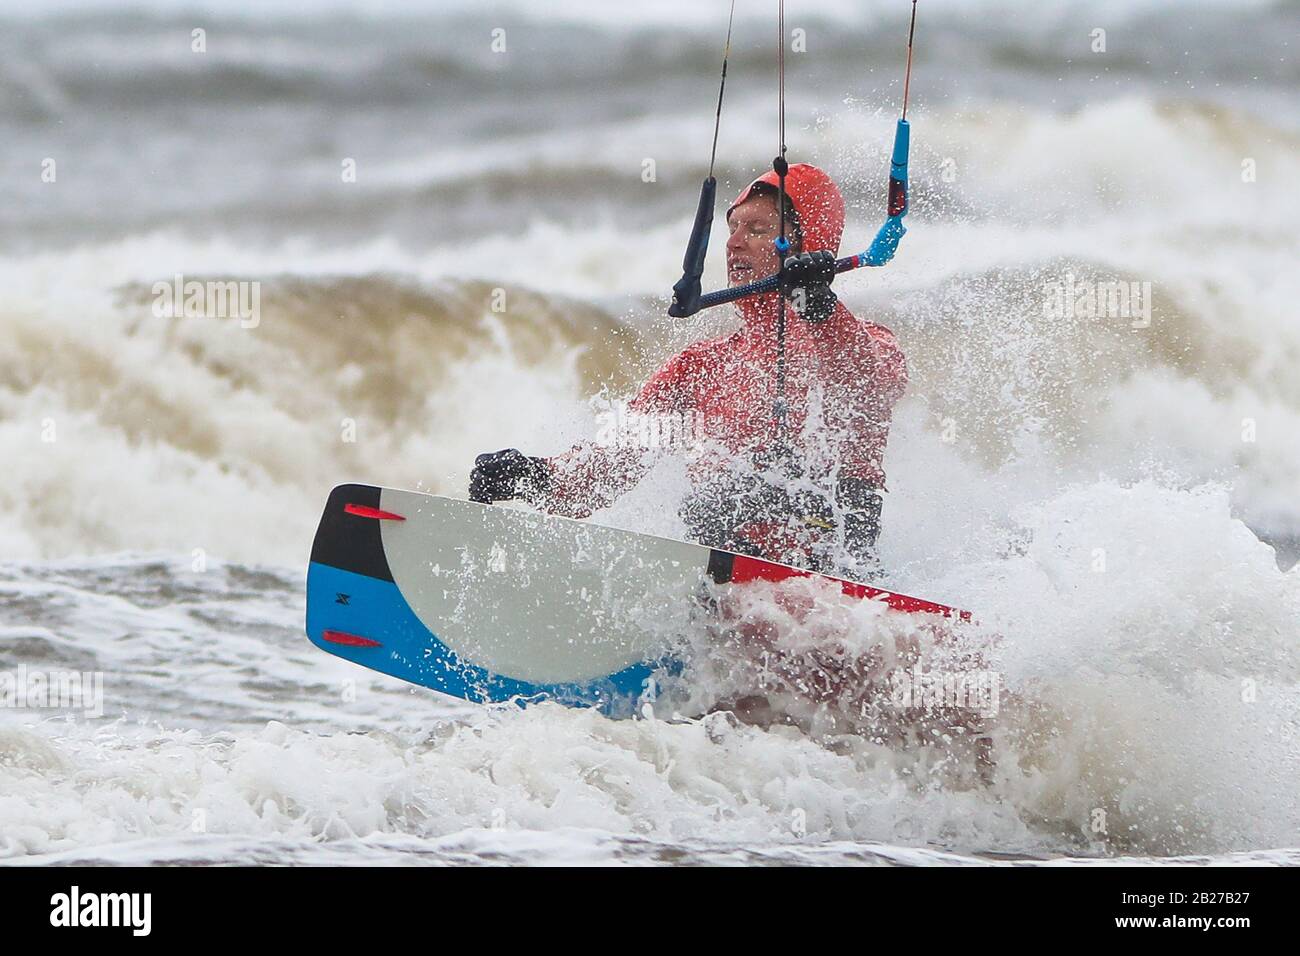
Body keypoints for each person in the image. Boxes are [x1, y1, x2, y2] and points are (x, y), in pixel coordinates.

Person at [469, 163, 907, 580]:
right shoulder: (698, 367)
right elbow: (612, 464)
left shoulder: (862, 342)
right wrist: (535, 477)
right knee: (707, 507)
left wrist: (821, 311)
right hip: (719, 589)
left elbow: (866, 380)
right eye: (733, 230)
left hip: (832, 591)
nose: (735, 244)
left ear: (808, 248)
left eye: (757, 231)